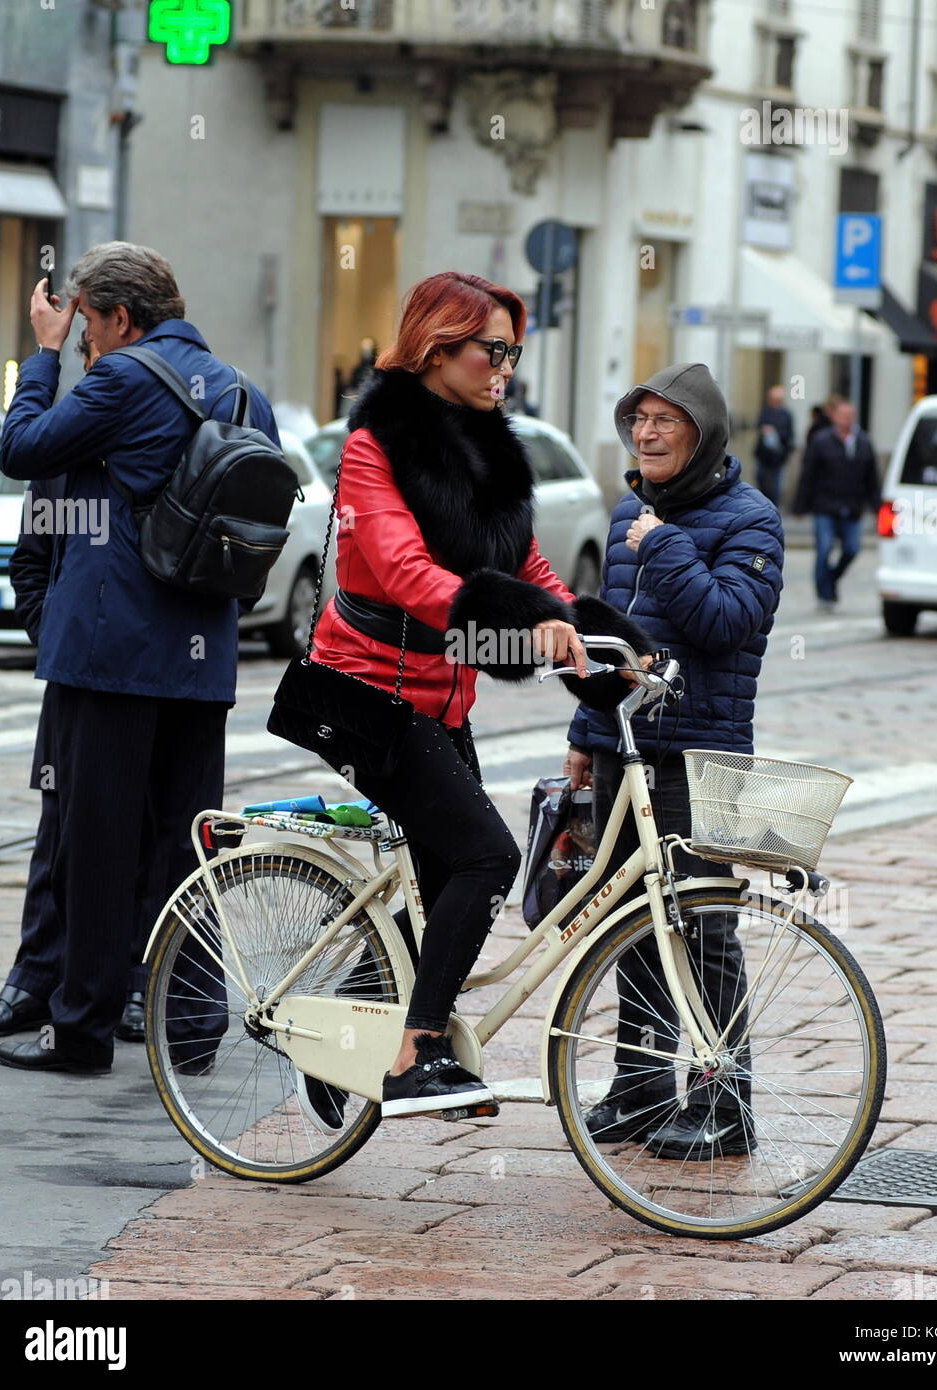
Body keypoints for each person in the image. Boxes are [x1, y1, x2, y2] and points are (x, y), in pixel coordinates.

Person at [307, 269, 639, 1119]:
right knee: (487, 856)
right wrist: (522, 623)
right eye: (492, 350)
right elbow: (407, 574)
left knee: (448, 880)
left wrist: (586, 636)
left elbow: (521, 565)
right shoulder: (375, 443)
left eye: (512, 353)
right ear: (434, 346)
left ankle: (344, 1033)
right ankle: (414, 1055)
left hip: (440, 696)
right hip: (365, 690)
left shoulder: (491, 442)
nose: (505, 369)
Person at [0, 241, 279, 1075]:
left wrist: (42, 356)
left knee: (96, 844)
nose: (84, 347)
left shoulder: (122, 380)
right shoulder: (241, 391)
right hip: (200, 661)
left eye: (87, 331)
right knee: (188, 848)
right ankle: (187, 1028)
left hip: (111, 655)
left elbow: (21, 448)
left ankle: (78, 1032)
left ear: (120, 317)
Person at [563, 362, 784, 1160]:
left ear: (703, 434)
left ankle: (725, 1104)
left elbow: (725, 622)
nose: (647, 435)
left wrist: (664, 548)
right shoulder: (631, 509)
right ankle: (641, 1089)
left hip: (702, 756)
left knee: (703, 930)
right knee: (632, 929)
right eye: (639, 420)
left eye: (666, 421)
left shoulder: (749, 520)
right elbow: (611, 647)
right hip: (627, 755)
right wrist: (585, 740)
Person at [0, 334, 147, 1044]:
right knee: (59, 826)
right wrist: (55, 640)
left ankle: (137, 984)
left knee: (146, 831)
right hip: (74, 672)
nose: (86, 358)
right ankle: (35, 978)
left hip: (148, 669)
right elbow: (31, 566)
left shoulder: (165, 441)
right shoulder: (60, 455)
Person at [794, 398, 881, 612]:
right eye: (843, 415)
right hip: (825, 505)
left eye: (850, 415)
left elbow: (872, 477)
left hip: (852, 507)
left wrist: (877, 507)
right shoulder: (822, 440)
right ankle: (824, 594)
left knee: (852, 549)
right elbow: (808, 474)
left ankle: (831, 579)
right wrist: (800, 505)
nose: (847, 419)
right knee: (824, 550)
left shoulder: (863, 441)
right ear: (834, 417)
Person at [753, 383, 795, 508]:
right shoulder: (765, 411)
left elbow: (789, 434)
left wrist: (776, 433)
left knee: (775, 485)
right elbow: (759, 425)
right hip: (763, 454)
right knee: (761, 481)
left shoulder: (786, 414)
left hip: (778, 456)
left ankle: (773, 508)